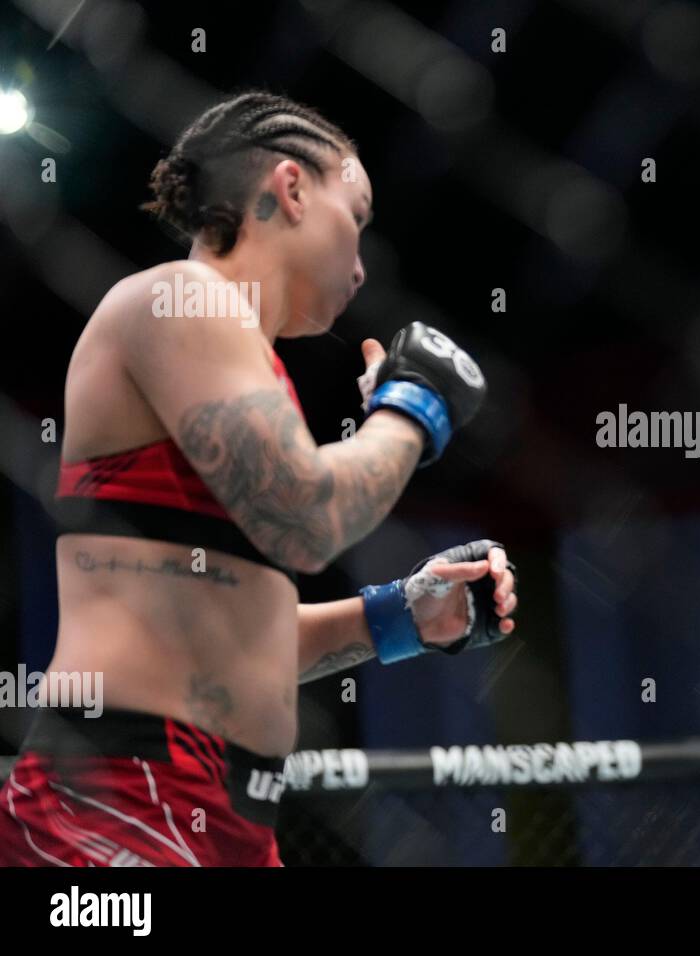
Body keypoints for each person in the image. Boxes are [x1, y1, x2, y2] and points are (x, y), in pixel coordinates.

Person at [0, 92, 517, 867]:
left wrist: (403, 616)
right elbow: (307, 518)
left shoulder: (241, 367)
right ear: (292, 187)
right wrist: (415, 407)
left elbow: (240, 635)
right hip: (116, 802)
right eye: (357, 214)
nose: (361, 262)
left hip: (227, 811)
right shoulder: (182, 299)